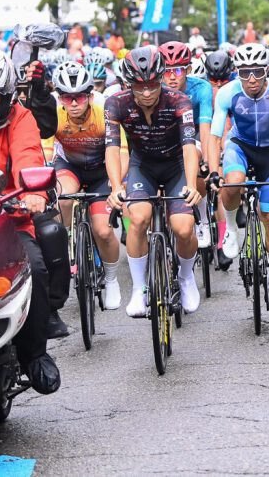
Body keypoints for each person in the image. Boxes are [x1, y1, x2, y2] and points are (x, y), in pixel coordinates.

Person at [105, 47, 203, 317]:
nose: (146, 92)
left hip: (176, 166)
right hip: (142, 166)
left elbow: (188, 146)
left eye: (152, 85)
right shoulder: (116, 103)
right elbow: (112, 147)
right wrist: (115, 187)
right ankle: (139, 289)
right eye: (139, 86)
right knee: (138, 218)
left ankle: (185, 277)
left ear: (160, 79)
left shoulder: (179, 101)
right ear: (128, 83)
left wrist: (192, 185)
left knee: (183, 228)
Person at [207, 44, 269, 309]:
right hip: (240, 147)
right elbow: (214, 136)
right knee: (232, 183)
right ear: (237, 73)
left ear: (266, 71)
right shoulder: (227, 93)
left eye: (256, 72)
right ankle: (231, 228)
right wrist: (213, 171)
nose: (251, 79)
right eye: (245, 73)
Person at [0, 53, 61, 394]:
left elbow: (28, 156)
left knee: (34, 270)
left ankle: (35, 354)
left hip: (9, 215)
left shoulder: (20, 118)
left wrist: (32, 191)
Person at [51, 62, 124, 309]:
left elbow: (121, 150)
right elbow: (46, 151)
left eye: (79, 96)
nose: (73, 103)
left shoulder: (106, 108)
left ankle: (112, 279)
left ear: (90, 95)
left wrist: (117, 186)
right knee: (63, 198)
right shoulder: (53, 111)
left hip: (101, 169)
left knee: (103, 231)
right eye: (67, 97)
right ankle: (69, 237)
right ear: (59, 97)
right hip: (69, 165)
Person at [159, 41, 215, 251]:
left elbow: (207, 128)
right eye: (167, 71)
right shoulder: (156, 90)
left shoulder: (201, 88)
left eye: (178, 70)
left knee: (197, 164)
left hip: (195, 134)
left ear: (189, 70)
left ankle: (202, 220)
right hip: (166, 138)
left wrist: (208, 162)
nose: (172, 76)